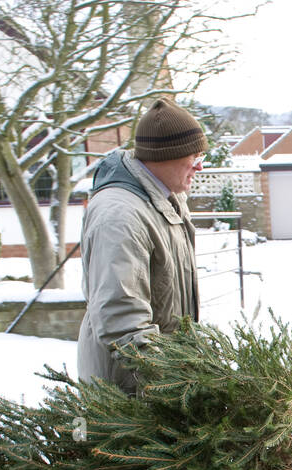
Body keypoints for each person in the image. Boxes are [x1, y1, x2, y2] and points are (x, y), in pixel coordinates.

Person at [77, 98, 207, 395]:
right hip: (130, 394)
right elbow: (121, 318)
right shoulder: (121, 216)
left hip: (161, 381)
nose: (199, 166)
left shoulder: (166, 200)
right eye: (194, 156)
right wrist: (174, 380)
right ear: (166, 155)